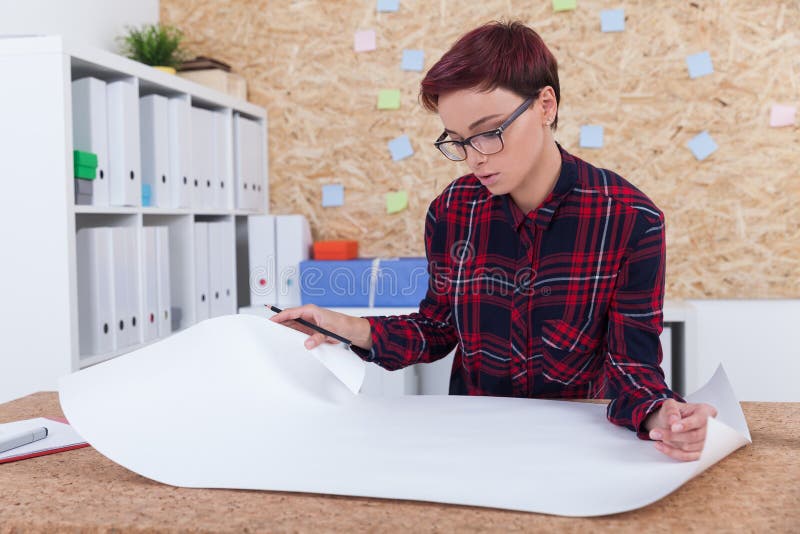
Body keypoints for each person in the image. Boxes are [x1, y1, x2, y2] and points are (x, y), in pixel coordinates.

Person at [271, 20, 717, 462]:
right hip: (474, 439)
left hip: (579, 445)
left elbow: (631, 365)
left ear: (546, 105)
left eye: (490, 131)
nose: (475, 158)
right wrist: (347, 328)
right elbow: (438, 327)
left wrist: (662, 417)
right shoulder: (451, 211)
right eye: (459, 141)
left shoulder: (630, 219)